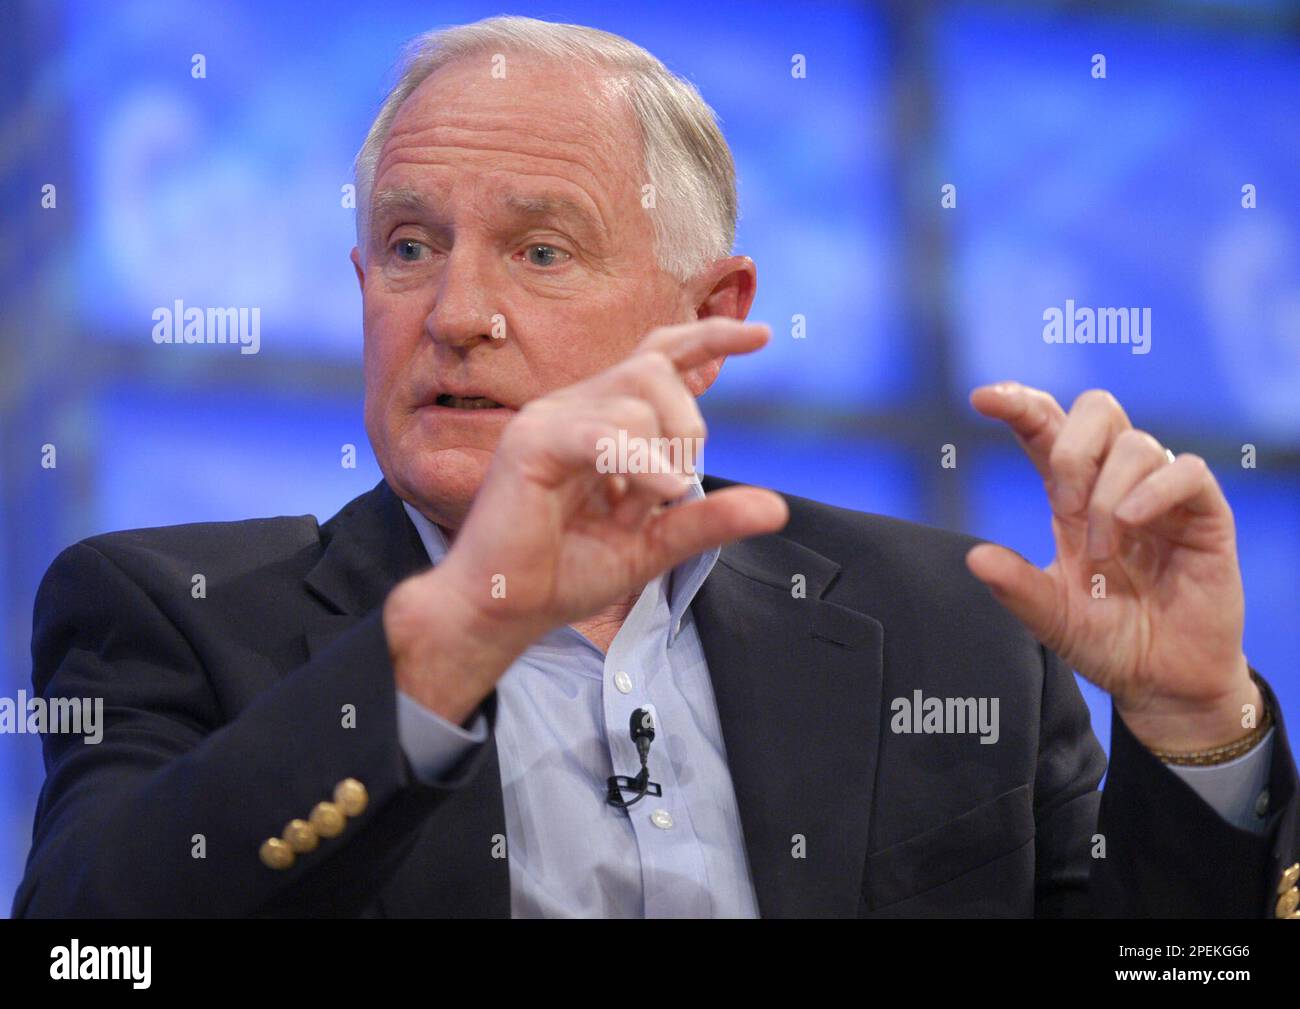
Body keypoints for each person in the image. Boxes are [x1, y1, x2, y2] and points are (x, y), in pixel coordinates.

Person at [13, 15, 1297, 918]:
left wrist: (1193, 727)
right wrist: (454, 638)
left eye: (541, 252)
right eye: (408, 247)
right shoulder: (173, 618)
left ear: (708, 314)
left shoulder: (954, 630)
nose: (455, 312)